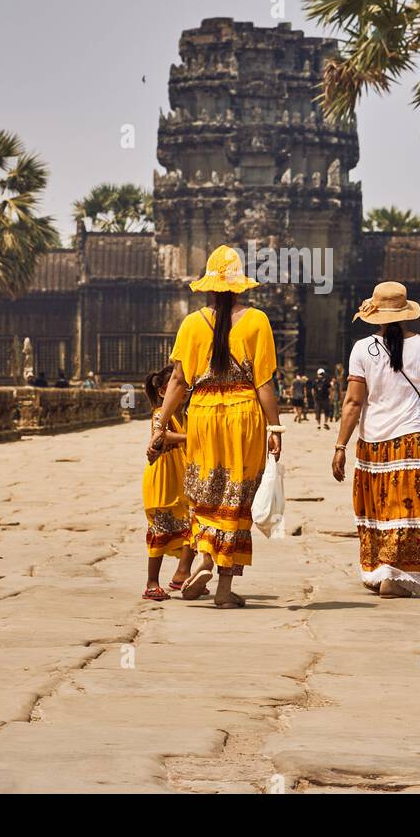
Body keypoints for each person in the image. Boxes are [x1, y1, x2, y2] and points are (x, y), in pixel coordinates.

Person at [147, 244, 281, 608]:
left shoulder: (192, 324)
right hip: (243, 415)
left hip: (203, 415)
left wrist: (160, 423)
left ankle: (205, 555)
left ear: (208, 286)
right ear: (239, 286)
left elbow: (177, 380)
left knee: (206, 491)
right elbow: (265, 383)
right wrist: (275, 430)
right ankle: (223, 588)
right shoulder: (257, 321)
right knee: (236, 497)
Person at [331, 281, 420, 597]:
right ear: (405, 313)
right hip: (411, 438)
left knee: (378, 508)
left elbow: (354, 403)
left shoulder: (362, 349)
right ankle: (395, 575)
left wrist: (340, 446)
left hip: (373, 441)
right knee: (408, 509)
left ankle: (380, 569)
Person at [140, 365, 196, 600]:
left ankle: (182, 574)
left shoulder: (184, 416)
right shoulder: (161, 413)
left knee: (193, 529)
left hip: (181, 480)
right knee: (160, 531)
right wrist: (192, 436)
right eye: (180, 387)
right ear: (164, 392)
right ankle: (152, 583)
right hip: (162, 482)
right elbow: (161, 435)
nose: (185, 392)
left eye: (187, 388)